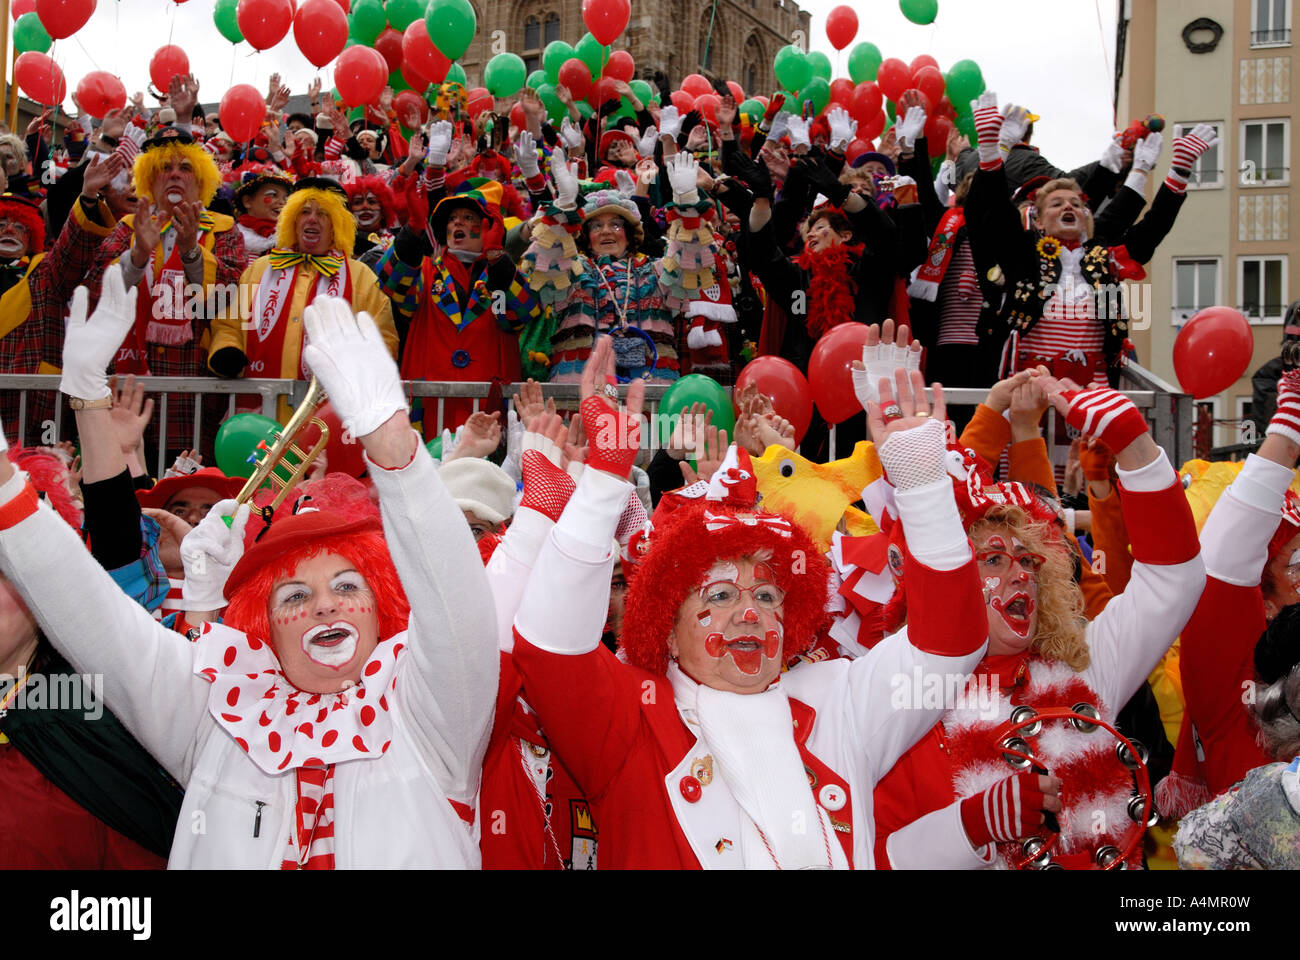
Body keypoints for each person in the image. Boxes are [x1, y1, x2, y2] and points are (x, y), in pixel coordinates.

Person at [0, 266, 497, 867]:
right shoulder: (217, 717)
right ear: (264, 625)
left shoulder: (426, 715)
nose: (324, 604)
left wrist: (398, 459)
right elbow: (93, 617)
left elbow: (457, 610)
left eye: (346, 584)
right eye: (292, 596)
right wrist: (8, 490)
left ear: (383, 606)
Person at [508, 336, 987, 867]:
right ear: (666, 623)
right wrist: (602, 482)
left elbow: (947, 650)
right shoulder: (635, 717)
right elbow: (550, 649)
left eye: (765, 593)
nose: (751, 613)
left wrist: (921, 483)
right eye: (719, 594)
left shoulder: (835, 704)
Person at [872, 374, 1205, 869]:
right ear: (945, 578)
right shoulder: (900, 700)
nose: (1020, 575)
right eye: (992, 559)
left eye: (1028, 562)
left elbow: (1173, 582)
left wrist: (1134, 446)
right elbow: (865, 855)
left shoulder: (1082, 671)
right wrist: (969, 827)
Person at [80, 127, 246, 464]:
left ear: (201, 179)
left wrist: (191, 253)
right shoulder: (128, 226)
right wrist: (139, 254)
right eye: (163, 168)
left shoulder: (224, 228)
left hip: (194, 396)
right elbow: (98, 292)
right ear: (148, 180)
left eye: (184, 168)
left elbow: (231, 299)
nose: (174, 175)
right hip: (127, 391)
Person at [378, 121, 541, 433]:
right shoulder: (425, 270)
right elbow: (392, 284)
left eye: (469, 218)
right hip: (430, 412)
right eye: (452, 219)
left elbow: (519, 315)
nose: (458, 224)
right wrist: (412, 230)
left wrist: (497, 257)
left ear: (489, 226)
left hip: (488, 415)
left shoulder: (503, 274)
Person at [522, 145, 718, 384]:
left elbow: (692, 261)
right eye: (596, 226)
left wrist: (688, 204)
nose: (606, 232)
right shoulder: (573, 271)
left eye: (616, 225)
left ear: (629, 233)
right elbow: (545, 262)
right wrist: (563, 208)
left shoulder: (655, 272)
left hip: (650, 399)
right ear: (586, 235)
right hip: (580, 398)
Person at [208, 177, 398, 423]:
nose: (312, 219)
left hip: (332, 422)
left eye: (323, 214)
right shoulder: (260, 269)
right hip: (259, 417)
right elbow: (230, 325)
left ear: (336, 225)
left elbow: (382, 340)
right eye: (304, 211)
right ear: (291, 219)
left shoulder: (360, 276)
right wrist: (227, 351)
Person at [232, 166, 293, 266]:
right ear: (247, 201)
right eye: (273, 195)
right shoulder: (230, 236)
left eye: (285, 198)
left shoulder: (290, 238)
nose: (282, 202)